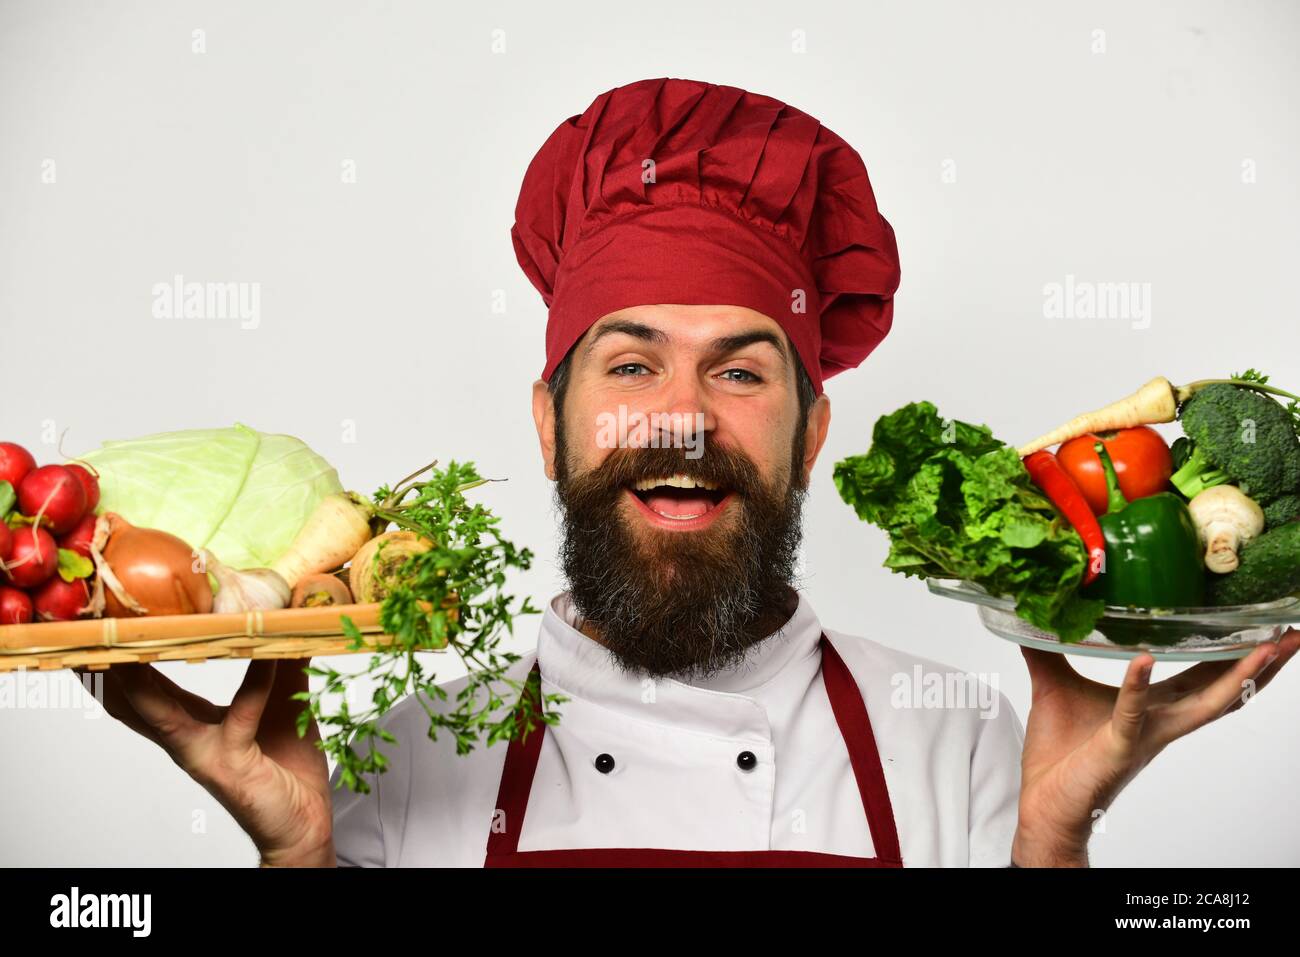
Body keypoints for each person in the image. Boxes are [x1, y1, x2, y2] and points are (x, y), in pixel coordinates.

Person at [90, 78, 1299, 868]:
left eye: (737, 372)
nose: (679, 419)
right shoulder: (409, 757)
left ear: (809, 430)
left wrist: (1050, 832)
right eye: (627, 367)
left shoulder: (967, 751)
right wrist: (299, 860)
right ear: (547, 424)